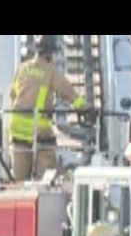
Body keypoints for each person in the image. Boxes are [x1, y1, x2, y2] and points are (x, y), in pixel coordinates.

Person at [7, 35, 89, 182]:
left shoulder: (23, 68)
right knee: (46, 173)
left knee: (19, 180)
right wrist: (84, 107)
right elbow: (67, 91)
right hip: (39, 130)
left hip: (17, 131)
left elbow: (12, 94)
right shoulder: (50, 71)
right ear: (50, 54)